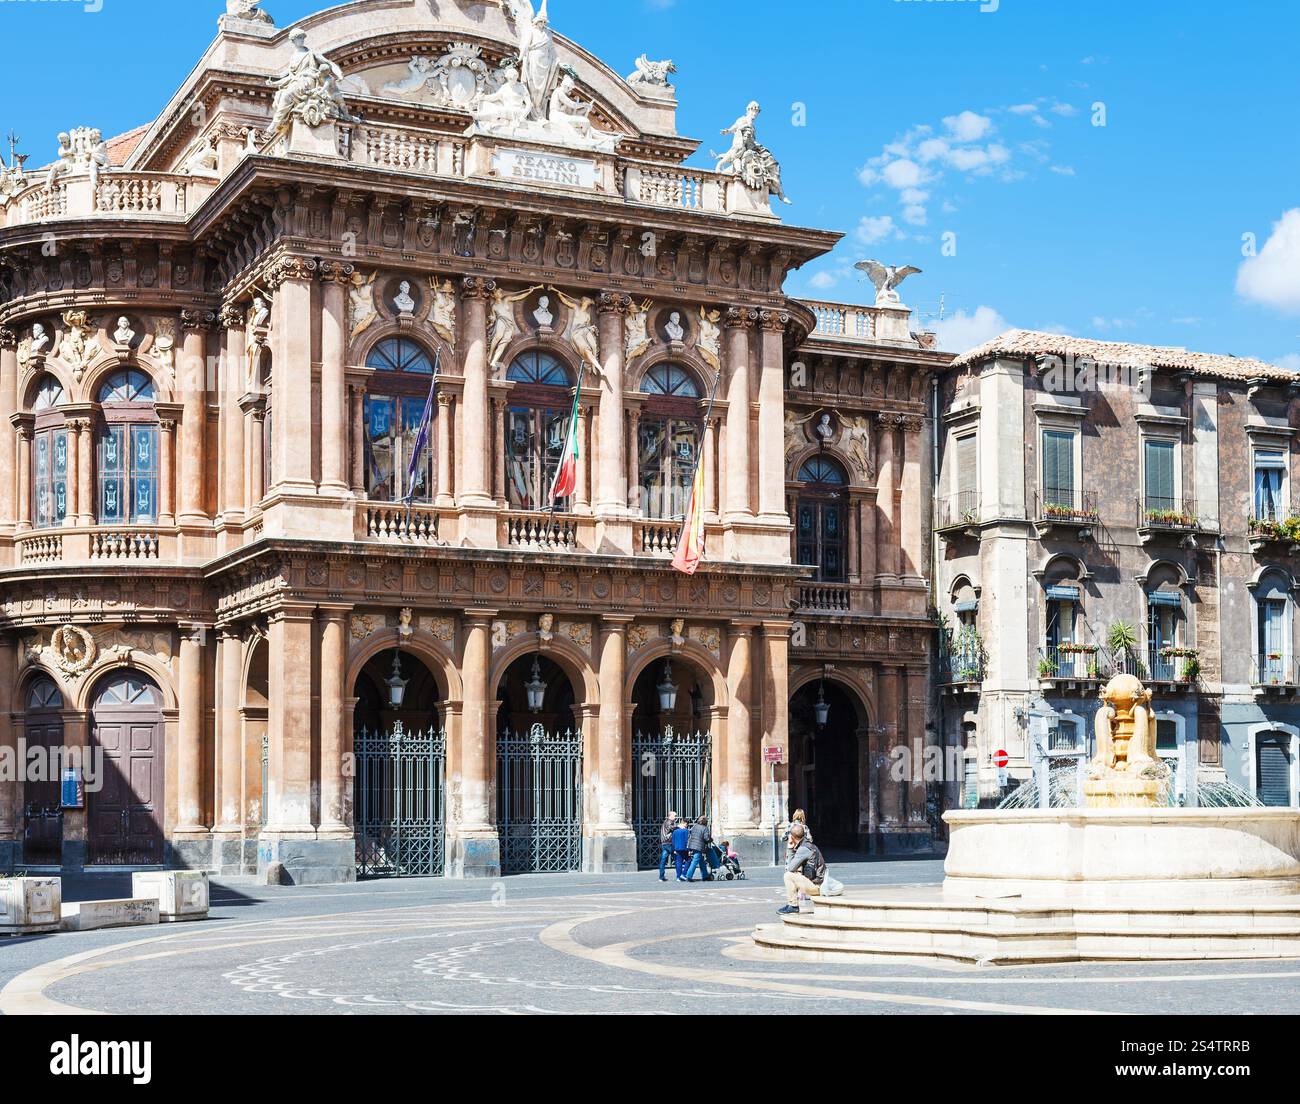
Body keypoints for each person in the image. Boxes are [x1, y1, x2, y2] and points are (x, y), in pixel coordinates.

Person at [777, 822, 826, 915]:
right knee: (795, 874)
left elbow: (790, 868)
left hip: (817, 887)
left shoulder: (803, 849)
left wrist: (790, 849)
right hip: (819, 883)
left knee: (788, 875)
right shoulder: (808, 844)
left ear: (793, 836)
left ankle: (793, 905)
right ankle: (792, 904)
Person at [684, 815, 713, 882]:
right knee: (695, 860)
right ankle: (688, 876)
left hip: (692, 845)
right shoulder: (705, 828)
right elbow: (706, 838)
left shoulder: (695, 826)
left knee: (701, 861)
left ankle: (705, 876)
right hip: (698, 846)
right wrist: (710, 839)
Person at [658, 809, 678, 881]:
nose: (676, 817)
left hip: (664, 843)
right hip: (668, 843)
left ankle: (661, 876)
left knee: (663, 860)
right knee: (677, 858)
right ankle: (679, 875)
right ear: (670, 816)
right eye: (675, 816)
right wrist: (679, 827)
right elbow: (671, 828)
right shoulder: (669, 822)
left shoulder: (665, 822)